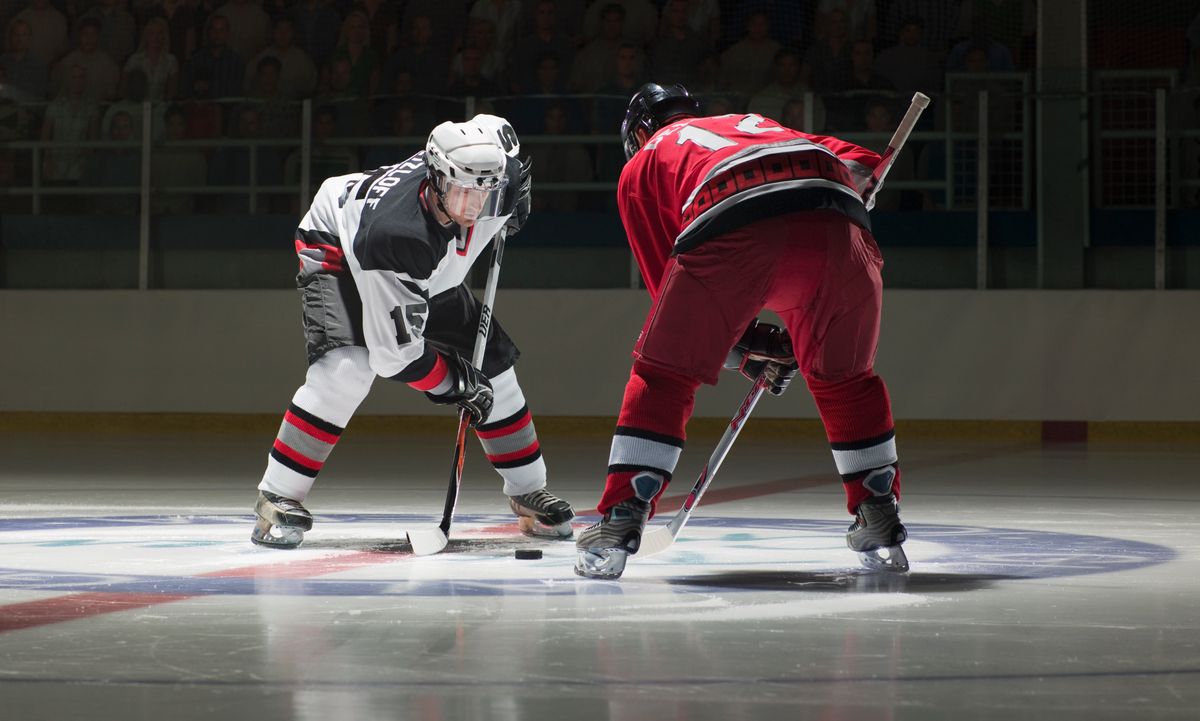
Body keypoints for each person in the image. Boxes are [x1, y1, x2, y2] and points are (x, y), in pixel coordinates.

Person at [574, 83, 908, 579]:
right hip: (840, 221)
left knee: (665, 373)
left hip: (733, 216)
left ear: (639, 132)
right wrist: (864, 180)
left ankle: (622, 516)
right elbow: (861, 161)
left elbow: (668, 290)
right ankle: (878, 515)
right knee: (846, 380)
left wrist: (742, 348)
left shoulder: (644, 161)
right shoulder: (751, 122)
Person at [251, 113, 575, 548]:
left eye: (485, 191)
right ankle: (278, 494)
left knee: (491, 365)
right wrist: (451, 383)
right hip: (340, 244)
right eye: (462, 191)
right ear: (436, 179)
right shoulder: (396, 236)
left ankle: (528, 488)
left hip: (426, 267)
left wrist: (513, 200)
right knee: (348, 367)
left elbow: (497, 130)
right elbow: (394, 356)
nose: (474, 206)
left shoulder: (498, 177)